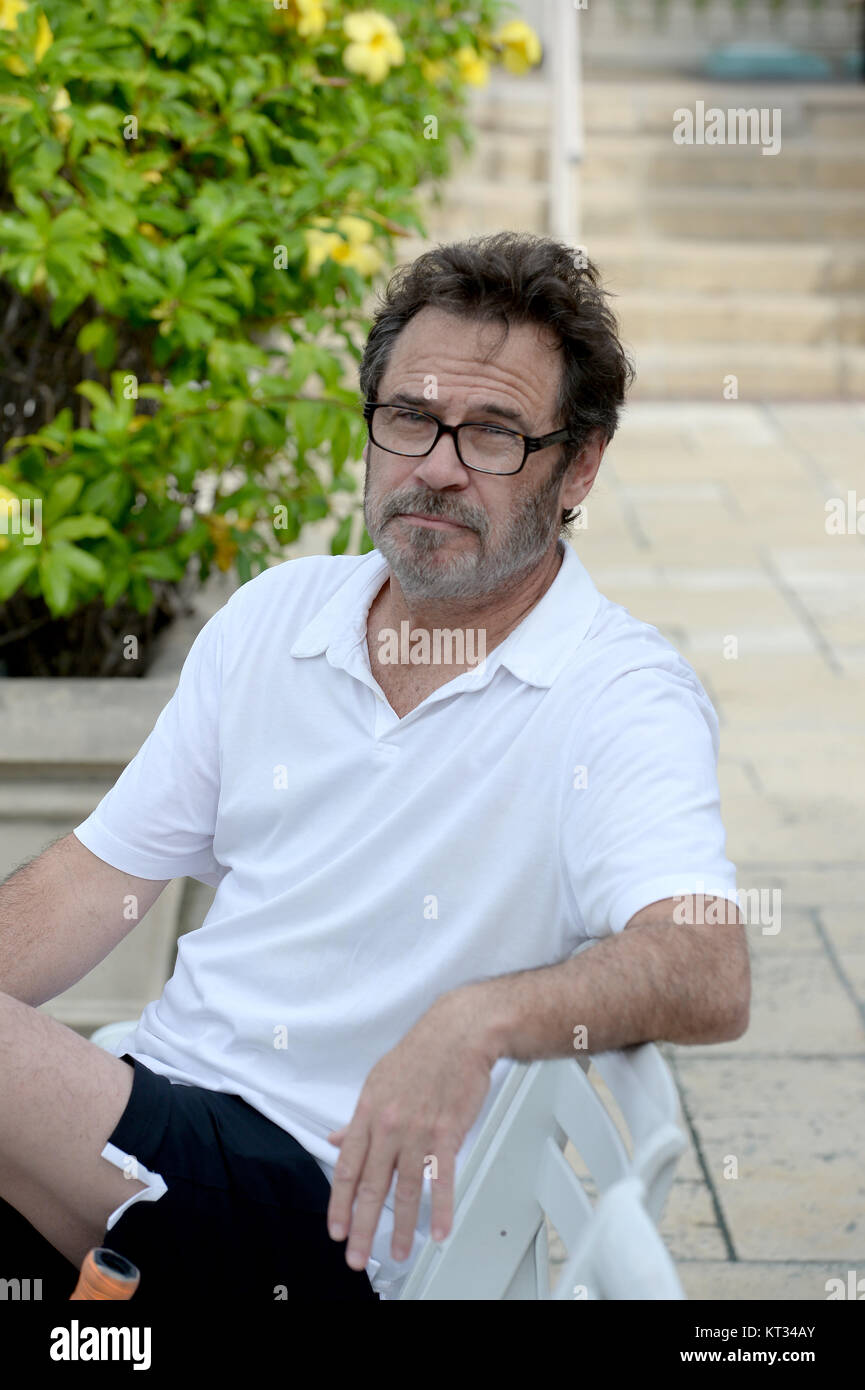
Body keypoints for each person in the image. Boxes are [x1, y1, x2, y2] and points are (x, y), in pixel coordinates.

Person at [0, 231, 750, 1303]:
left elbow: (706, 967)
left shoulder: (616, 695)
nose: (435, 466)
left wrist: (474, 1018)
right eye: (409, 418)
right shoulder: (279, 617)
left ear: (578, 464)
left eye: (492, 433)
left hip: (317, 1218)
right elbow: (94, 880)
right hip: (141, 1133)